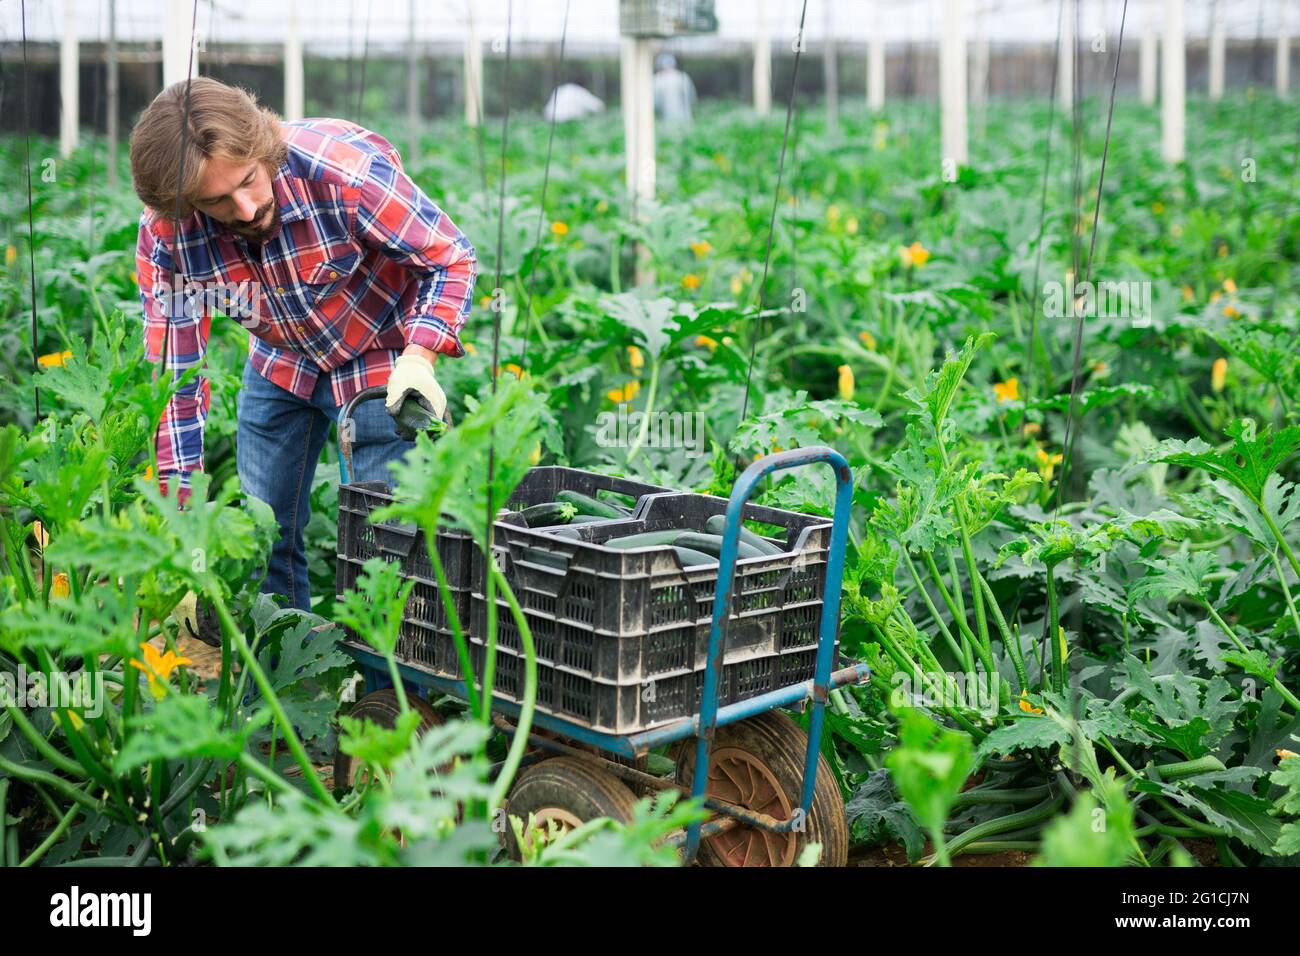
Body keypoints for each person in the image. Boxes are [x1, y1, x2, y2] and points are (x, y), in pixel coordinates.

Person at [129, 77, 476, 617]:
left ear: (261, 149)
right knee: (264, 533)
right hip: (279, 363)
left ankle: (390, 695)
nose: (244, 209)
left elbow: (450, 258)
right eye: (216, 201)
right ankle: (289, 676)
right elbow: (175, 384)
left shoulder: (345, 176)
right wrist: (182, 538)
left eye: (248, 181)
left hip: (379, 354)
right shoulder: (168, 234)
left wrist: (421, 355)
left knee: (384, 541)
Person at [653, 52, 696, 125]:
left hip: (665, 122)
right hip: (685, 120)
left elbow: (654, 103)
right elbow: (692, 99)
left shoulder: (656, 80)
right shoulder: (683, 77)